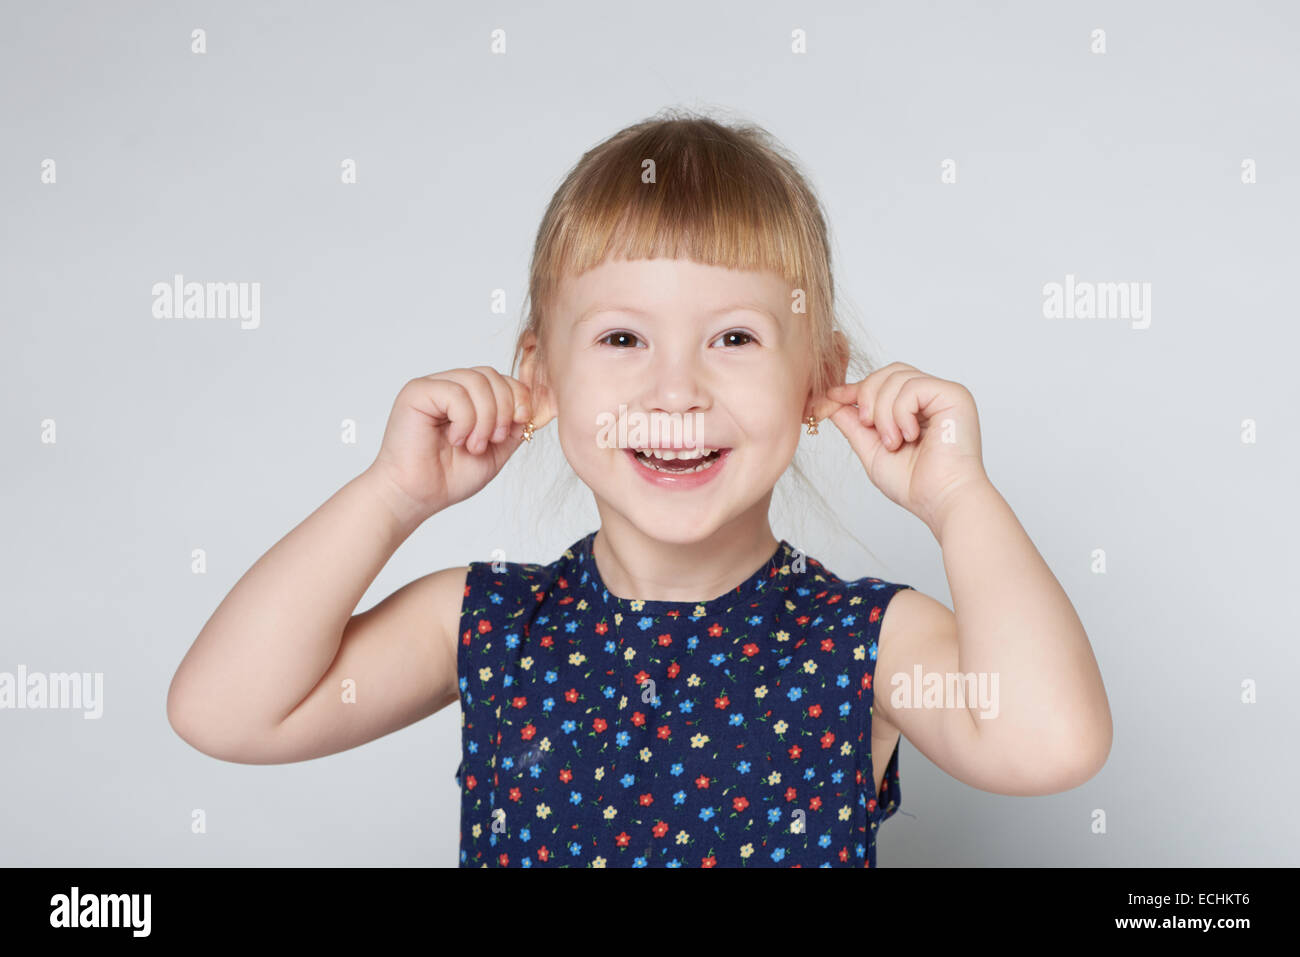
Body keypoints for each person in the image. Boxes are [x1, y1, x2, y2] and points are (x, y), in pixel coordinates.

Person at [166, 108, 1112, 867]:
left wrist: (959, 499)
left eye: (734, 338)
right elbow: (226, 710)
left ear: (820, 376)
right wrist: (391, 495)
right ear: (538, 373)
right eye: (623, 338)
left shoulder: (864, 642)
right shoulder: (486, 622)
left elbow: (1051, 740)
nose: (675, 391)